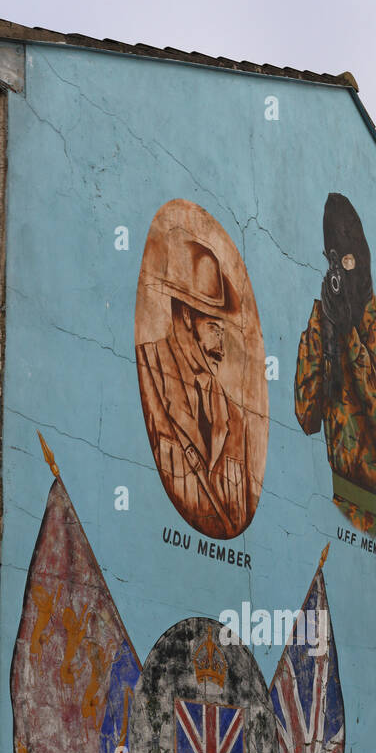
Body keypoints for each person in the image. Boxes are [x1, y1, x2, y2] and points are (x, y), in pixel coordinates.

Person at [294, 193, 376, 543]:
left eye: (351, 258)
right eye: (335, 259)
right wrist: (324, 328)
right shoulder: (325, 321)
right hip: (337, 510)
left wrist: (352, 344)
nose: (346, 269)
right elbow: (306, 418)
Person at [138, 228, 253, 538]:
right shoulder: (146, 374)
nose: (222, 347)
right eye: (214, 328)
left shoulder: (235, 421)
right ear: (187, 317)